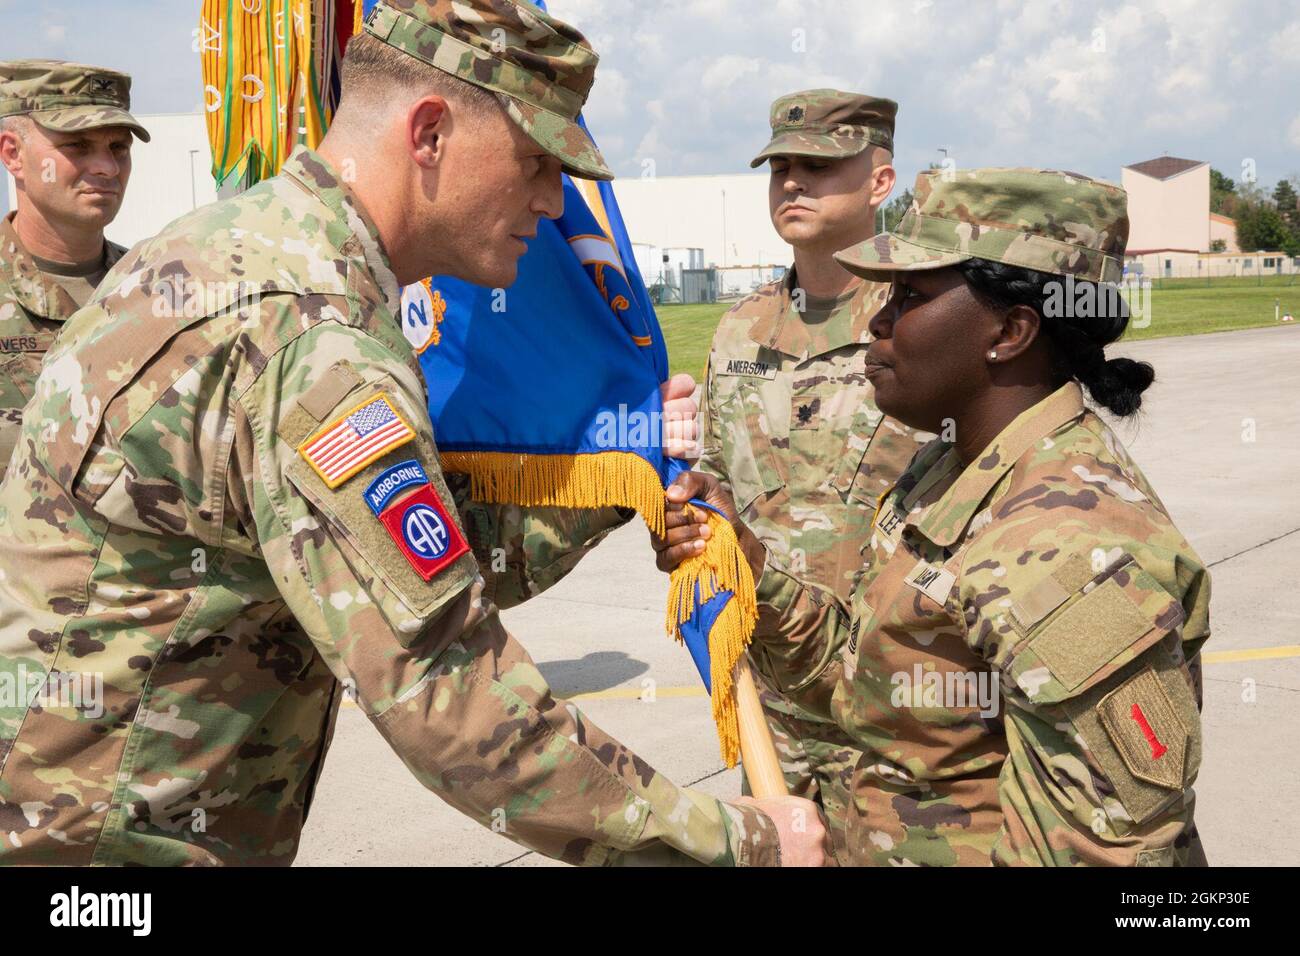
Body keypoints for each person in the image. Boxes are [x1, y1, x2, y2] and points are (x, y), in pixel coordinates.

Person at [0, 0, 826, 867]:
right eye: (537, 162)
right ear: (428, 131)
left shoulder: (247, 251)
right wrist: (738, 843)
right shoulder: (314, 338)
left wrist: (616, 482)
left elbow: (363, 571)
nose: (555, 203)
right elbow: (443, 687)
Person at [664, 167, 1211, 865]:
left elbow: (1104, 854)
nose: (878, 320)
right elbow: (864, 680)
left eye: (911, 296)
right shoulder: (950, 468)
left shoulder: (1069, 550)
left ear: (1010, 330)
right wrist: (749, 568)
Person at [651, 89, 925, 858]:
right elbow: (718, 484)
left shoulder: (917, 324)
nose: (792, 183)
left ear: (880, 180)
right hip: (772, 699)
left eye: (818, 166)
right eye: (780, 168)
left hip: (894, 704)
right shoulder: (742, 327)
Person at [0, 59, 147, 474]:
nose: (108, 167)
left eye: (118, 148)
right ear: (13, 154)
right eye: (77, 146)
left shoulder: (154, 284)